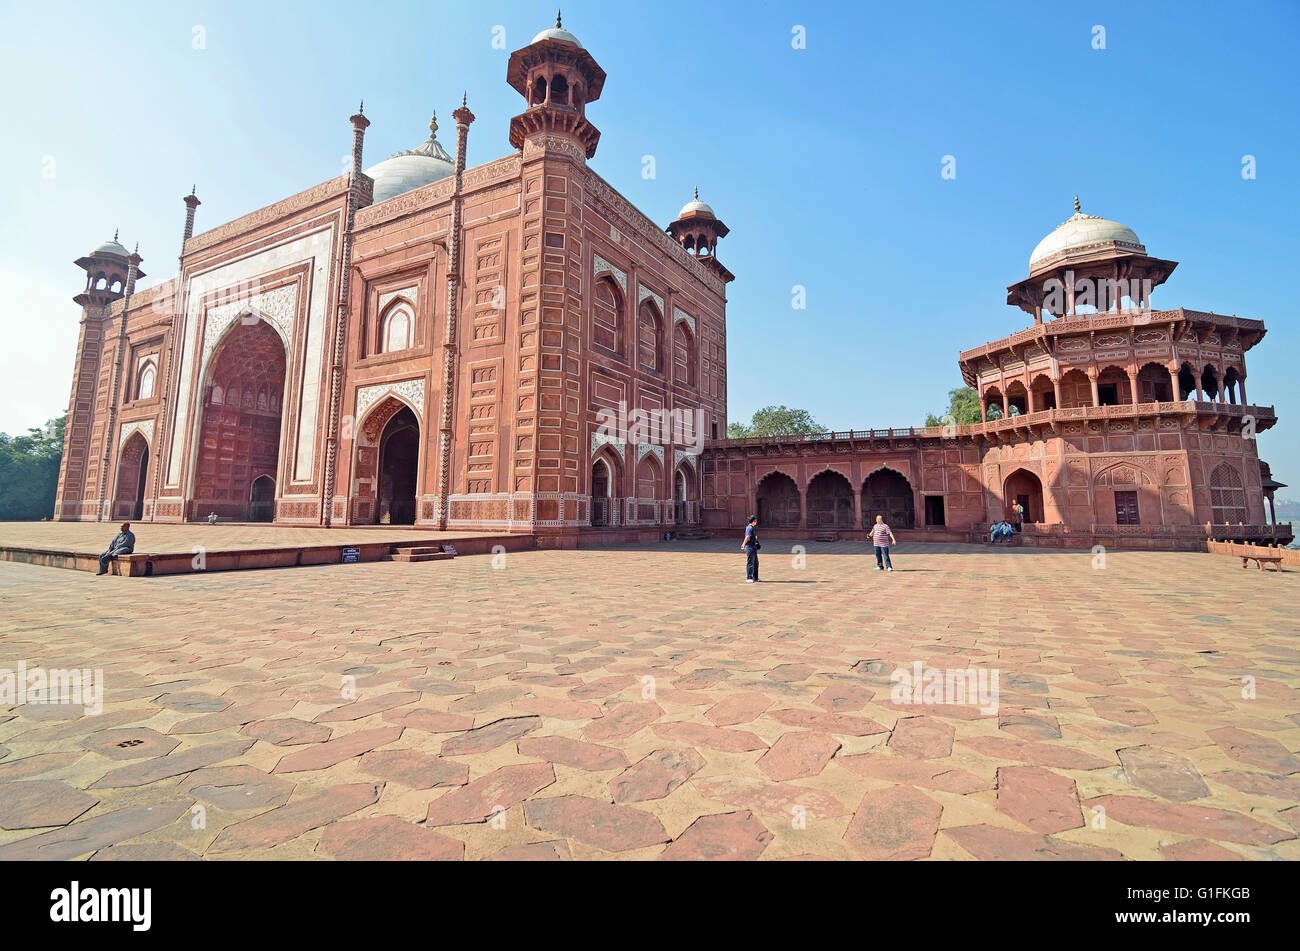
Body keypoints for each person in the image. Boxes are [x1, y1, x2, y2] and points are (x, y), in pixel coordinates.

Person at [741, 514, 760, 582]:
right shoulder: (749, 528)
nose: (756, 522)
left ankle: (755, 577)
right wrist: (743, 544)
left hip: (753, 547)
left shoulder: (751, 528)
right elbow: (747, 536)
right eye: (755, 521)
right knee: (750, 563)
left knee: (756, 563)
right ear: (753, 521)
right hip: (750, 547)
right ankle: (749, 578)